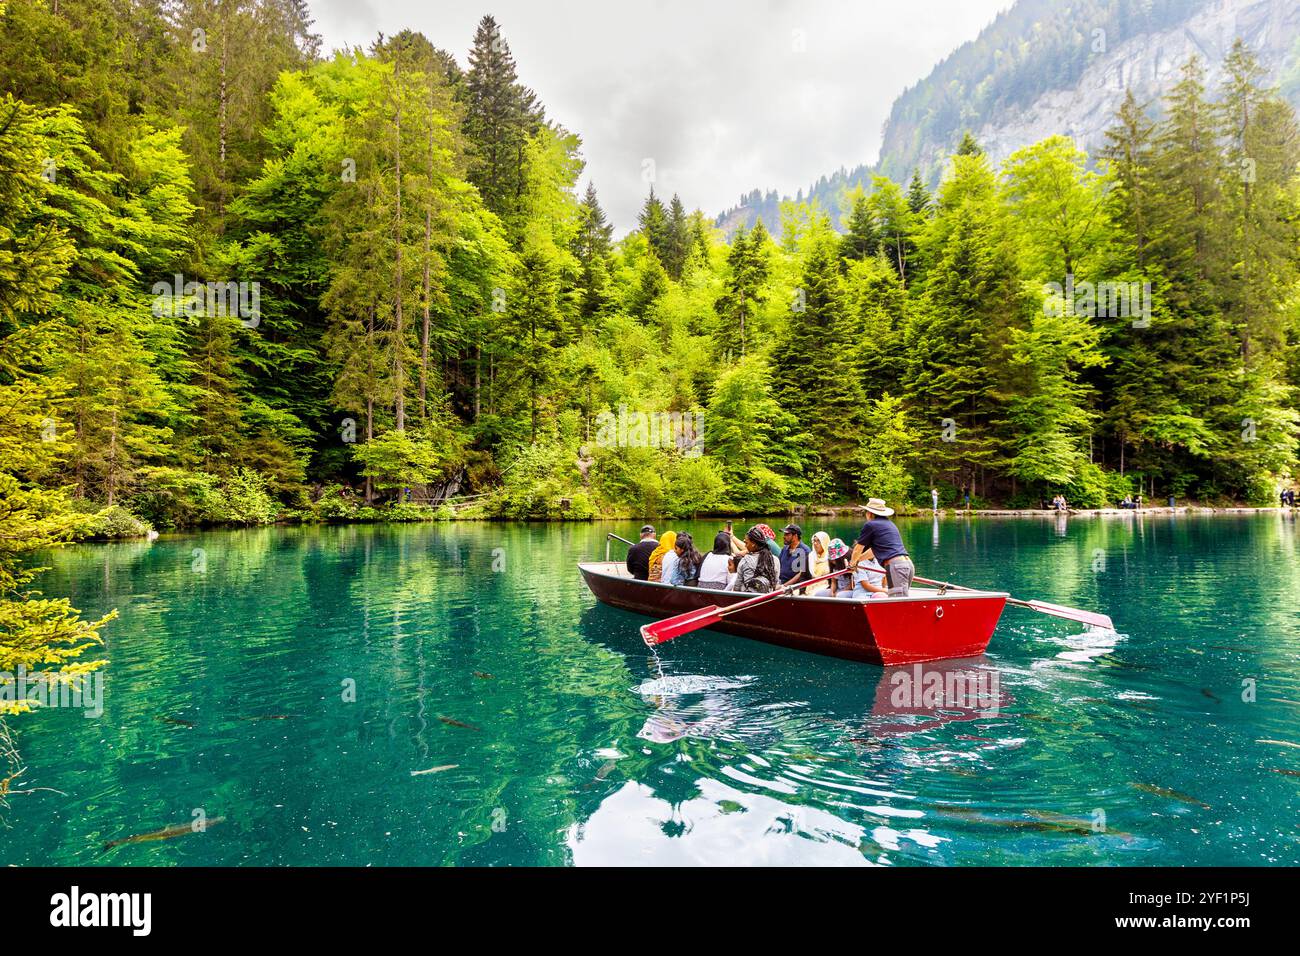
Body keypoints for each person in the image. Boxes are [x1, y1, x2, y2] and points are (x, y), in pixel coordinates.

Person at [850, 498, 914, 597]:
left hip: (896, 567)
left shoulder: (870, 525)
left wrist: (852, 565)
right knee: (901, 600)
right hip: (908, 565)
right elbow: (872, 551)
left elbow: (858, 548)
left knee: (896, 602)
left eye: (866, 512)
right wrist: (858, 561)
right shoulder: (890, 524)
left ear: (870, 513)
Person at [727, 526, 779, 593]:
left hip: (748, 598)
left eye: (746, 543)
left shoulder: (745, 560)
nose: (745, 546)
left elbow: (737, 588)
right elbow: (775, 583)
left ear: (753, 544)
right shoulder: (775, 560)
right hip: (768, 598)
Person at [778, 523, 812, 589]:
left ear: (795, 536)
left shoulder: (805, 551)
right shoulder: (784, 549)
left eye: (787, 534)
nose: (784, 536)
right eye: (784, 534)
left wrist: (784, 586)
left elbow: (801, 574)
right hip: (780, 582)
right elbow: (778, 565)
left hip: (793, 586)